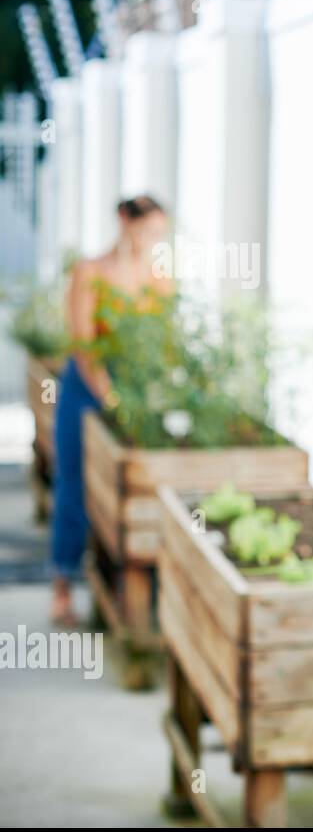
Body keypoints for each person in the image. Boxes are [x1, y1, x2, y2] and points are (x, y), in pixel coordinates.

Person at [48, 195, 174, 628]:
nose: (150, 241)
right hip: (87, 387)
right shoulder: (90, 272)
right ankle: (62, 585)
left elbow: (163, 346)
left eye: (159, 234)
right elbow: (84, 346)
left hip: (134, 388)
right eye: (145, 230)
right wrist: (111, 398)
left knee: (130, 487)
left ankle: (122, 590)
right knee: (74, 481)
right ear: (124, 220)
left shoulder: (158, 280)